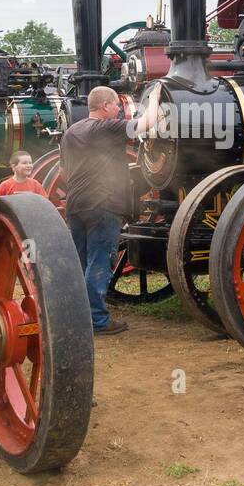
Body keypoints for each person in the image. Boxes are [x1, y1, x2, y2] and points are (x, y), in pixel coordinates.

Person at [60, 83, 162, 336]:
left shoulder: (72, 131)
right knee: (100, 261)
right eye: (117, 104)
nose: (119, 109)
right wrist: (156, 93)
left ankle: (78, 317)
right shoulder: (105, 127)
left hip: (76, 205)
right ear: (105, 106)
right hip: (103, 204)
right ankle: (98, 320)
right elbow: (144, 124)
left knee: (80, 262)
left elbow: (63, 171)